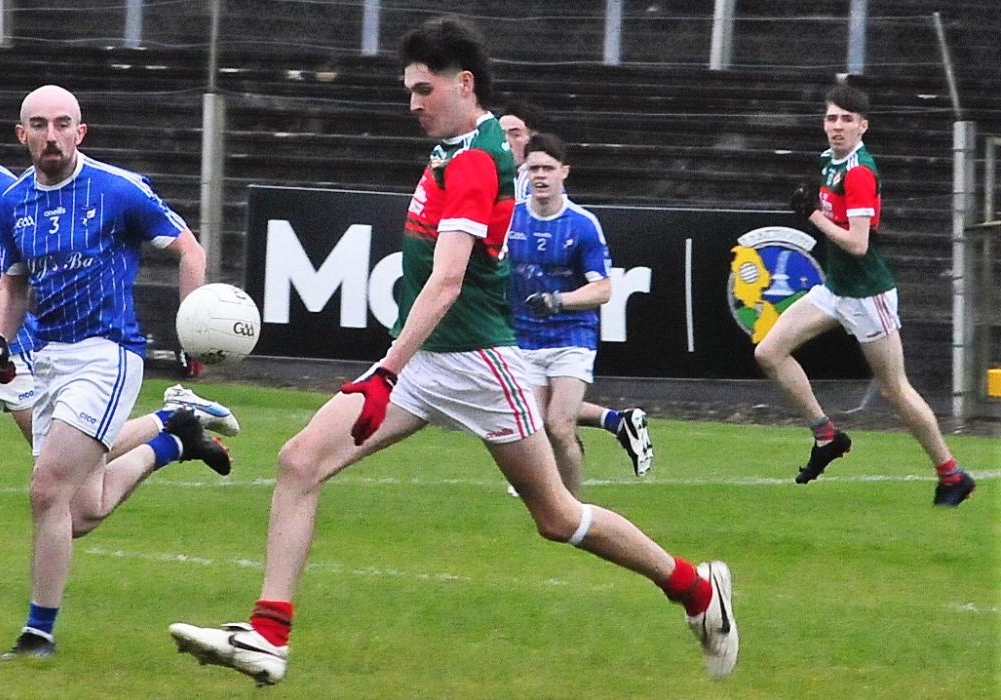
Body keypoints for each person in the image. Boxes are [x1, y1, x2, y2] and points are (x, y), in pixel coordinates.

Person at [168, 16, 736, 685]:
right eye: (408, 90)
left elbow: (447, 281)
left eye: (423, 88)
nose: (412, 103)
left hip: (478, 364)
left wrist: (382, 374)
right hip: (429, 362)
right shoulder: (462, 147)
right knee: (299, 461)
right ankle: (268, 636)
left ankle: (697, 591)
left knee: (556, 516)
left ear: (463, 84)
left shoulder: (473, 161)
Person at [0, 74, 241, 596]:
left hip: (23, 352)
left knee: (71, 479)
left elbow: (18, 274)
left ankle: (171, 425)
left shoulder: (6, 188)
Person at [0, 84, 234, 658]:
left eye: (63, 124)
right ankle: (175, 436)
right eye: (40, 125)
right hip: (47, 358)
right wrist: (0, 338)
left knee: (47, 489)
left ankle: (37, 635)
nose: (53, 135)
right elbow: (17, 281)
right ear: (22, 135)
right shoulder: (13, 203)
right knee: (80, 511)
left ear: (81, 131)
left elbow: (189, 250)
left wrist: (189, 329)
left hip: (107, 354)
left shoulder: (119, 190)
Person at [756, 84, 975, 506]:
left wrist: (815, 216)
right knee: (769, 352)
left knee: (895, 389)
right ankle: (826, 436)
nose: (836, 126)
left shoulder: (859, 173)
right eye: (831, 118)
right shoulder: (828, 162)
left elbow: (857, 244)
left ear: (863, 126)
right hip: (837, 289)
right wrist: (818, 209)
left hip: (867, 293)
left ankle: (951, 474)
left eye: (846, 119)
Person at [499, 103, 653, 476]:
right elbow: (494, 267)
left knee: (559, 424)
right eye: (534, 168)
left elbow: (602, 290)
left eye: (548, 168)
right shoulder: (510, 216)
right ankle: (616, 427)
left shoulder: (583, 224)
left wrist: (558, 301)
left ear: (563, 173)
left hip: (572, 337)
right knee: (533, 431)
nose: (540, 175)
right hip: (524, 340)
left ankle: (573, 510)